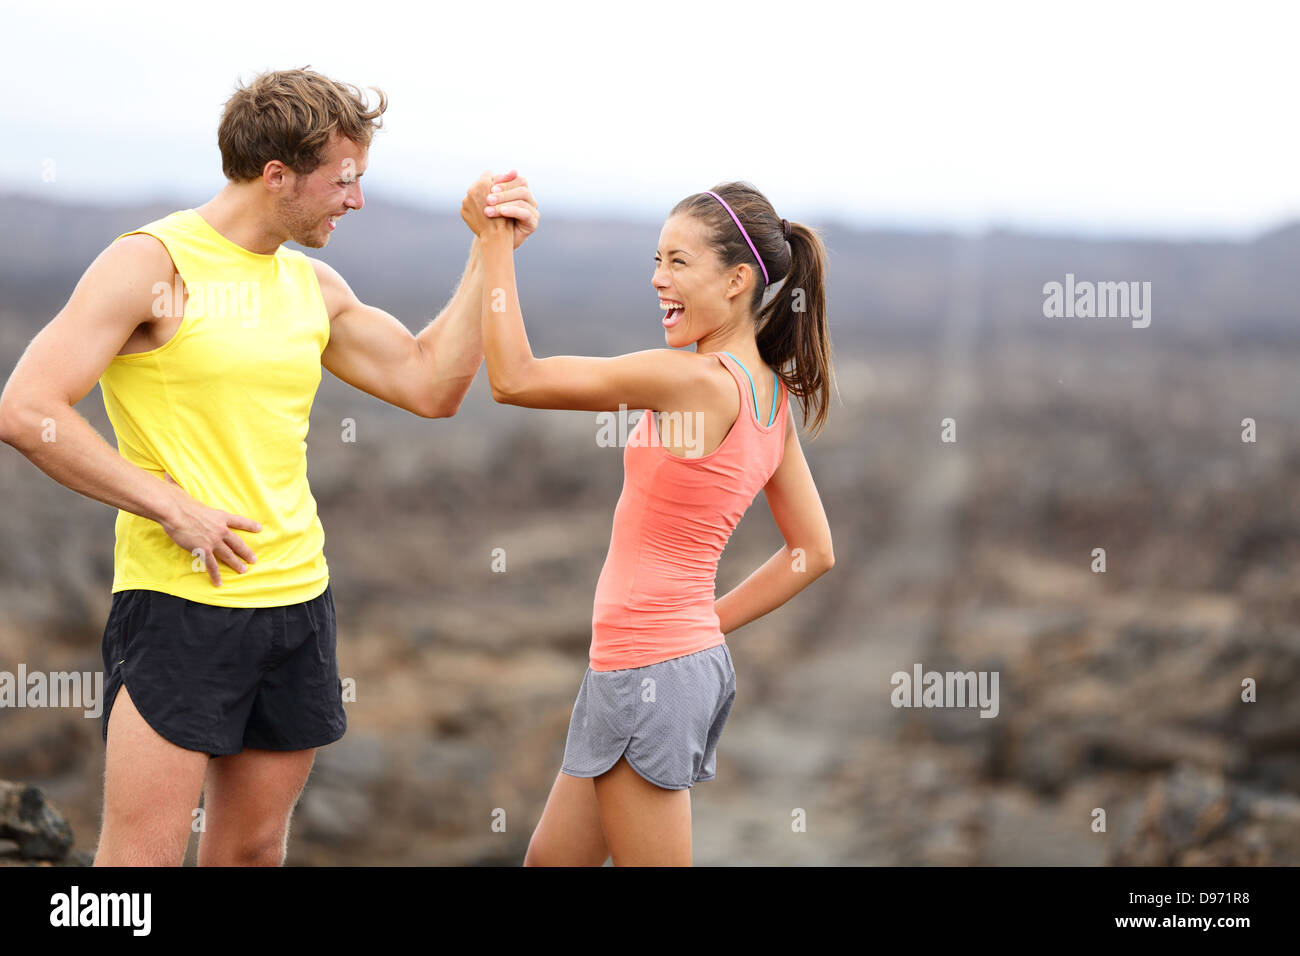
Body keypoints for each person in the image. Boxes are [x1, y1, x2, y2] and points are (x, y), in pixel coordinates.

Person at [0, 67, 539, 866]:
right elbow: (27, 408)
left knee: (252, 853)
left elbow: (431, 384)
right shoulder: (154, 264)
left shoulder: (312, 285)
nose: (355, 200)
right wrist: (170, 507)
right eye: (343, 180)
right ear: (277, 174)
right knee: (139, 863)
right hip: (180, 604)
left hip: (297, 605)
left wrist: (487, 250)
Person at [461, 178, 836, 865]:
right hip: (654, 662)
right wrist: (699, 628)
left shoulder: (692, 380)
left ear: (737, 281)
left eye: (678, 262)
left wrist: (494, 245)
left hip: (648, 672)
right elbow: (813, 553)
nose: (658, 279)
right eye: (656, 260)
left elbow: (514, 378)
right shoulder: (771, 401)